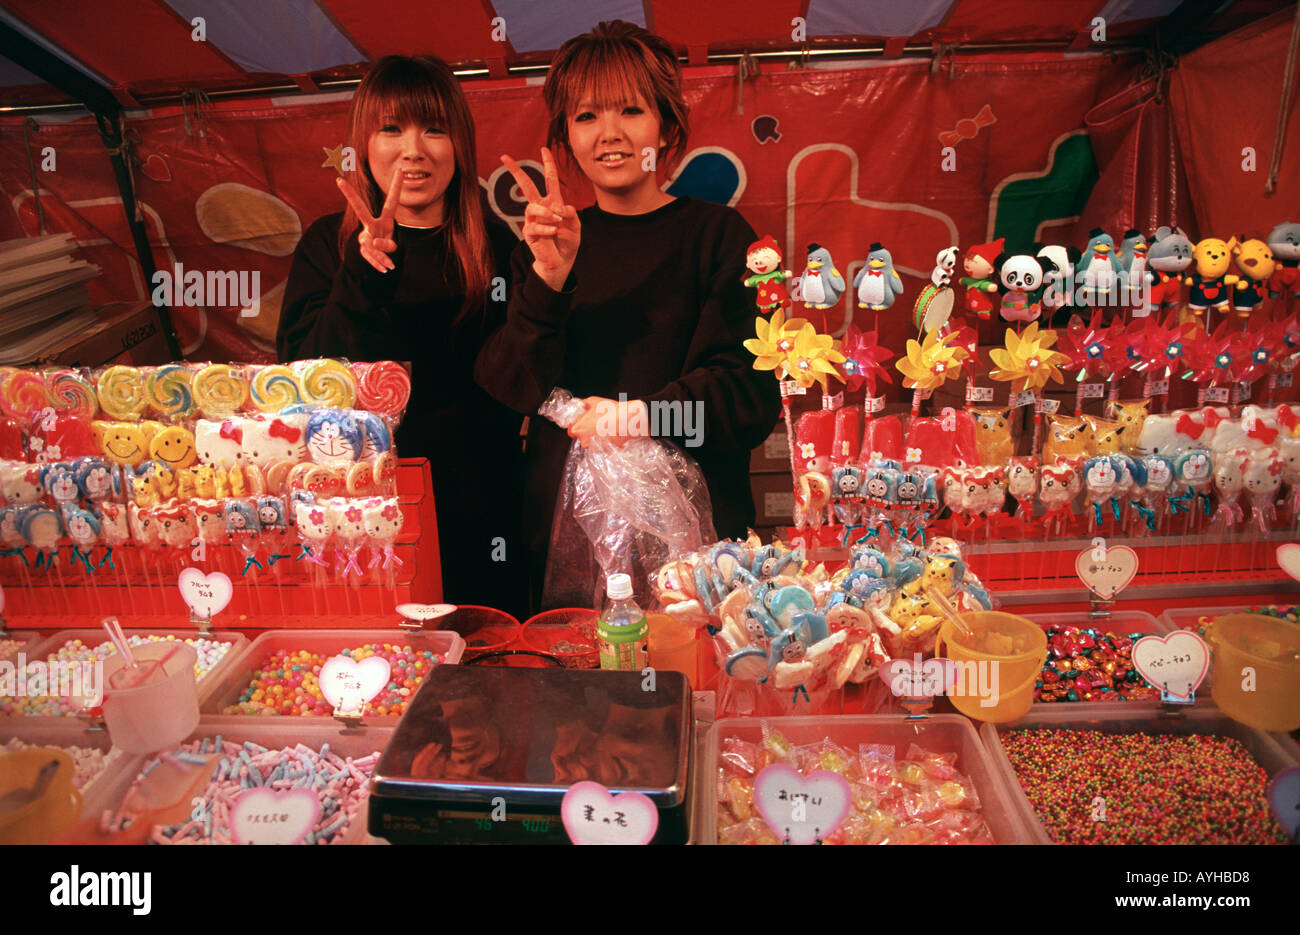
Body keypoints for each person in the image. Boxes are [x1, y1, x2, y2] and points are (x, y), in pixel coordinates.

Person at [475, 21, 781, 610]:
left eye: (631, 111)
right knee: (578, 689)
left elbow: (749, 395)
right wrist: (549, 280)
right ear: (565, 132)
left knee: (696, 687)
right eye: (586, 116)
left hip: (699, 544)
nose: (609, 134)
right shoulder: (540, 248)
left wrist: (639, 416)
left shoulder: (719, 238)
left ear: (665, 125)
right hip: (568, 538)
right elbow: (509, 384)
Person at [279, 55, 525, 617]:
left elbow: (522, 373)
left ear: (459, 145)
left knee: (483, 650)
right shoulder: (328, 245)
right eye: (392, 129)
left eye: (434, 129)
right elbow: (307, 378)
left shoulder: (492, 242)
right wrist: (362, 276)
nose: (413, 149)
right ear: (364, 144)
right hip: (363, 504)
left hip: (480, 500)